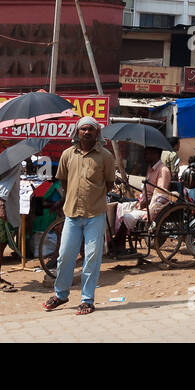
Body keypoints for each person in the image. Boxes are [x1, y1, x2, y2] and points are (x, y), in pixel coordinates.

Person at [45, 117, 117, 315]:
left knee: (92, 258)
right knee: (65, 255)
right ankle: (60, 295)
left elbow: (109, 183)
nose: (87, 132)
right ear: (77, 132)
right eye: (83, 129)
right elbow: (64, 181)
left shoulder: (105, 156)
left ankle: (87, 300)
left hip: (95, 213)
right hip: (72, 214)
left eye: (91, 130)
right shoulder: (68, 155)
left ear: (97, 133)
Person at [0, 161, 23, 292]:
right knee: (0, 243)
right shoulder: (16, 166)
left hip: (8, 208)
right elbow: (3, 187)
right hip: (6, 210)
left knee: (1, 243)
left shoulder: (12, 165)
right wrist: (2, 207)